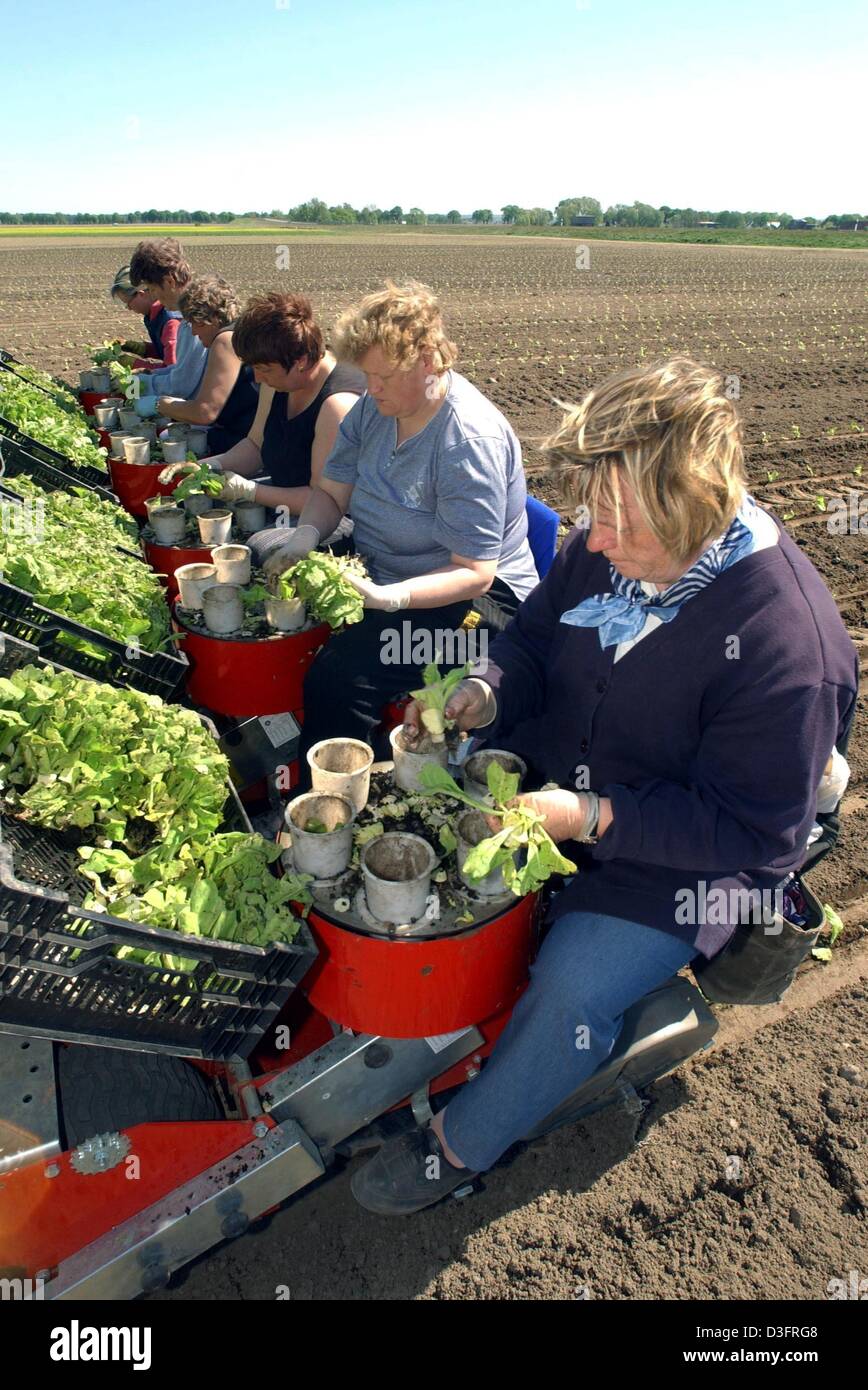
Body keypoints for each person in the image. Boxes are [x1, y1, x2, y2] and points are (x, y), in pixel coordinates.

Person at [349, 356, 859, 1216]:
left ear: (698, 507)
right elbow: (536, 638)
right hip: (556, 777)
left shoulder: (788, 649)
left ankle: (463, 1144)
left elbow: (751, 836)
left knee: (572, 988)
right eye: (595, 511)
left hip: (679, 863)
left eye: (621, 520)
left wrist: (591, 816)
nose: (594, 539)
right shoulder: (609, 541)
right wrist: (485, 692)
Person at [250, 280, 539, 781]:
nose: (371, 386)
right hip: (384, 567)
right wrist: (303, 539)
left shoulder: (465, 441)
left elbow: (475, 573)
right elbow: (330, 494)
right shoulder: (374, 408)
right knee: (264, 552)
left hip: (475, 608)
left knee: (341, 677)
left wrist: (391, 599)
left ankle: (338, 802)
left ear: (428, 362)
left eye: (382, 375)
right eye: (367, 374)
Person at [154, 274, 258, 455]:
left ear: (215, 318)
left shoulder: (225, 341)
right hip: (249, 433)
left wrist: (161, 405)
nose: (194, 332)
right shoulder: (242, 332)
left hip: (244, 440)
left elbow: (205, 412)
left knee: (167, 438)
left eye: (197, 323)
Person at [128, 238, 207, 400]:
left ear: (169, 281)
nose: (153, 297)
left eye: (152, 289)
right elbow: (181, 369)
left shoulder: (198, 321)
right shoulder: (188, 315)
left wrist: (143, 383)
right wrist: (150, 374)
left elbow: (182, 385)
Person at [109, 265, 180, 370]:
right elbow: (164, 350)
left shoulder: (170, 322)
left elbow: (172, 370)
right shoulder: (153, 316)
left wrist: (137, 365)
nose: (128, 308)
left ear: (141, 294)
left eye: (128, 303)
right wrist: (139, 348)